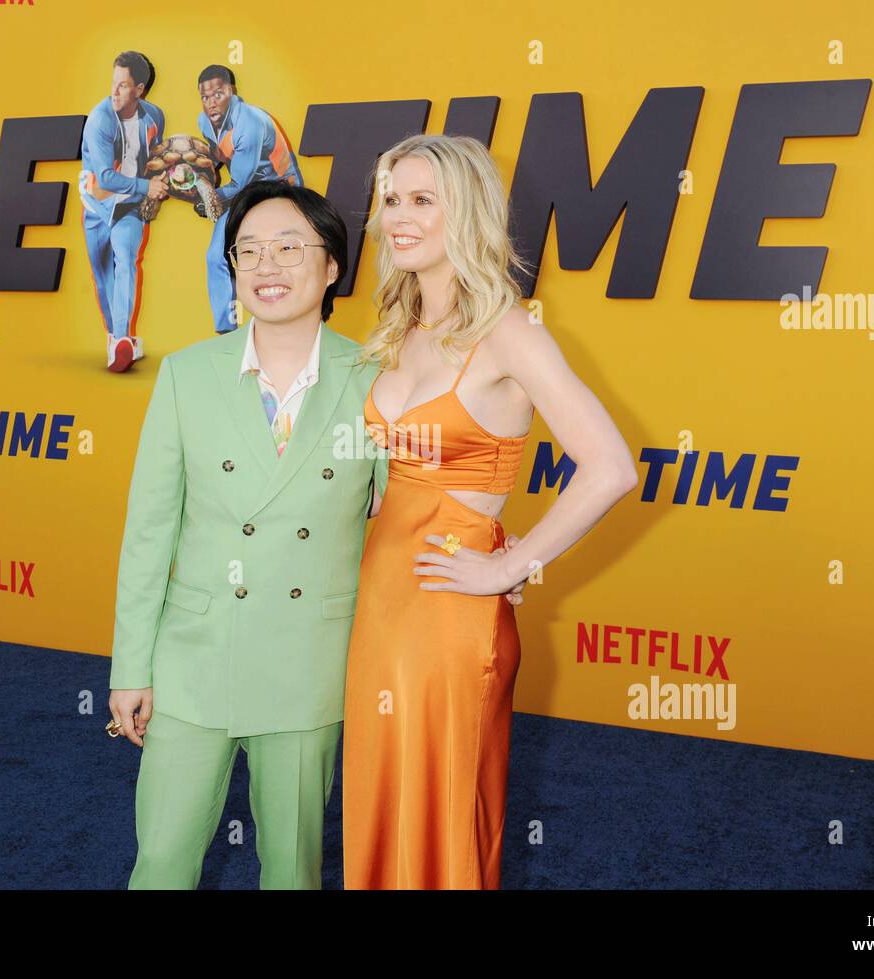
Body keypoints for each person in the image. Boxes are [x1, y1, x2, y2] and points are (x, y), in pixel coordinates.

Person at [342, 134, 640, 889]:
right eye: (391, 200)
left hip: (451, 607)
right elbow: (394, 473)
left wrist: (513, 562)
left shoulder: (509, 332)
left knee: (444, 811)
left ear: (465, 213)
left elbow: (611, 467)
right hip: (380, 598)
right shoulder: (395, 328)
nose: (397, 217)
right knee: (383, 796)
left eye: (421, 200)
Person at [106, 179, 386, 888]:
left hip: (308, 662)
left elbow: (400, 523)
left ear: (331, 268)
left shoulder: (378, 378)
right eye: (249, 250)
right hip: (193, 660)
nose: (267, 266)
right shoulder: (185, 374)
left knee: (293, 868)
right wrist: (131, 667)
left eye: (291, 247)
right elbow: (148, 534)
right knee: (163, 859)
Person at [195, 65, 303, 335]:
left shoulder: (250, 123)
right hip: (243, 194)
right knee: (216, 257)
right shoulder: (203, 121)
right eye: (205, 97)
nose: (211, 103)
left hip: (279, 193)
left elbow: (240, 184)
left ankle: (290, 324)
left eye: (218, 94)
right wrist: (197, 175)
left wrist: (210, 197)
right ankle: (226, 331)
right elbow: (219, 158)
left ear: (232, 91)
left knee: (277, 259)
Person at [79, 51, 170, 372]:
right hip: (96, 204)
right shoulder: (100, 119)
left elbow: (156, 156)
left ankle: (122, 338)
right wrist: (148, 188)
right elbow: (104, 177)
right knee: (103, 275)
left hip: (129, 208)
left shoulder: (154, 117)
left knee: (126, 262)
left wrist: (162, 183)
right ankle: (114, 337)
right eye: (113, 84)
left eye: (123, 86)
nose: (114, 92)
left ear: (140, 90)